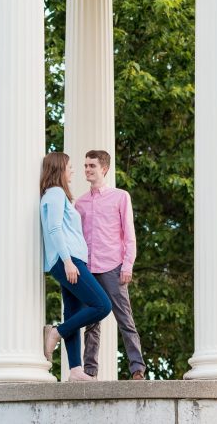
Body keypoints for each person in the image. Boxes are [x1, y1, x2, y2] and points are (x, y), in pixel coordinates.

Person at [75, 149, 147, 380]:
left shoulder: (120, 196)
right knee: (91, 323)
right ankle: (90, 372)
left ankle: (137, 368)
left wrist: (128, 265)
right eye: (85, 165)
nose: (87, 169)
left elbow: (129, 235)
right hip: (89, 269)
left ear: (104, 169)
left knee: (125, 319)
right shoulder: (81, 203)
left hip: (114, 267)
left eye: (92, 166)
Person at [40, 152, 112, 381]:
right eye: (70, 166)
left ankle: (75, 370)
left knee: (73, 312)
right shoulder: (56, 193)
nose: (73, 171)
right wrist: (69, 261)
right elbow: (54, 229)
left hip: (70, 260)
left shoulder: (56, 195)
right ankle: (56, 332)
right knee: (102, 305)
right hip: (68, 260)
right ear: (60, 169)